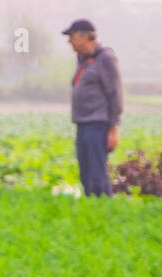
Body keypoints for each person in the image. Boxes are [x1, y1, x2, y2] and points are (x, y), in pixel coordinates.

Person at [63, 18, 123, 197]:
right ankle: (91, 209)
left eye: (71, 36)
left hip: (98, 125)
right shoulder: (82, 60)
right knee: (85, 172)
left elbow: (115, 94)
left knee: (97, 174)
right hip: (83, 125)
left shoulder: (106, 58)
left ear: (84, 36)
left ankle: (102, 210)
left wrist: (113, 128)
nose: (69, 41)